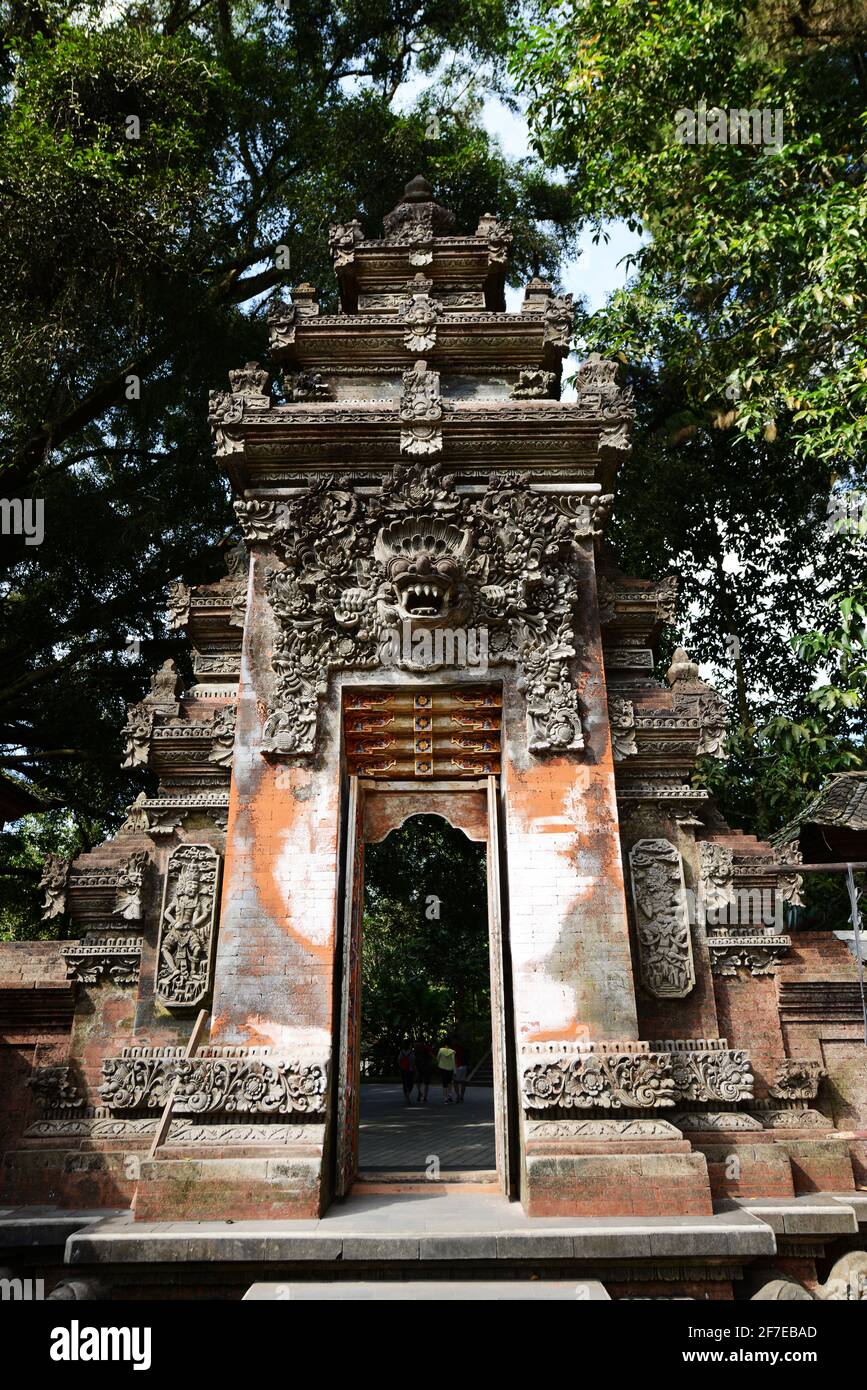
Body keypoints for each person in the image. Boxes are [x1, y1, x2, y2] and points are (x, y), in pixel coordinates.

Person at [436, 1038, 456, 1103]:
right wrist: (455, 1070)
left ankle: (445, 1098)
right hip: (450, 1068)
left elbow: (437, 1058)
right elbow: (453, 1061)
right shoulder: (452, 1051)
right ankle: (450, 1096)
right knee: (450, 1082)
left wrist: (439, 1063)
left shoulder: (441, 1050)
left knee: (444, 1083)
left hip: (442, 1068)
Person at [414, 1037, 433, 1104]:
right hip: (425, 1067)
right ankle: (424, 1096)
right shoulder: (426, 1047)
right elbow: (431, 1055)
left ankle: (420, 1093)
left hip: (420, 1067)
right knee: (426, 1083)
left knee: (419, 1081)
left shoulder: (416, 1048)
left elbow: (415, 1058)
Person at [397, 1040, 415, 1104]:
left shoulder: (401, 1052)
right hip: (410, 1070)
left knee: (405, 1083)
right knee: (411, 1083)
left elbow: (399, 1060)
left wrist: (401, 1066)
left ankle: (406, 1096)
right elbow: (413, 1061)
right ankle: (408, 1095)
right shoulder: (411, 1052)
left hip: (403, 1069)